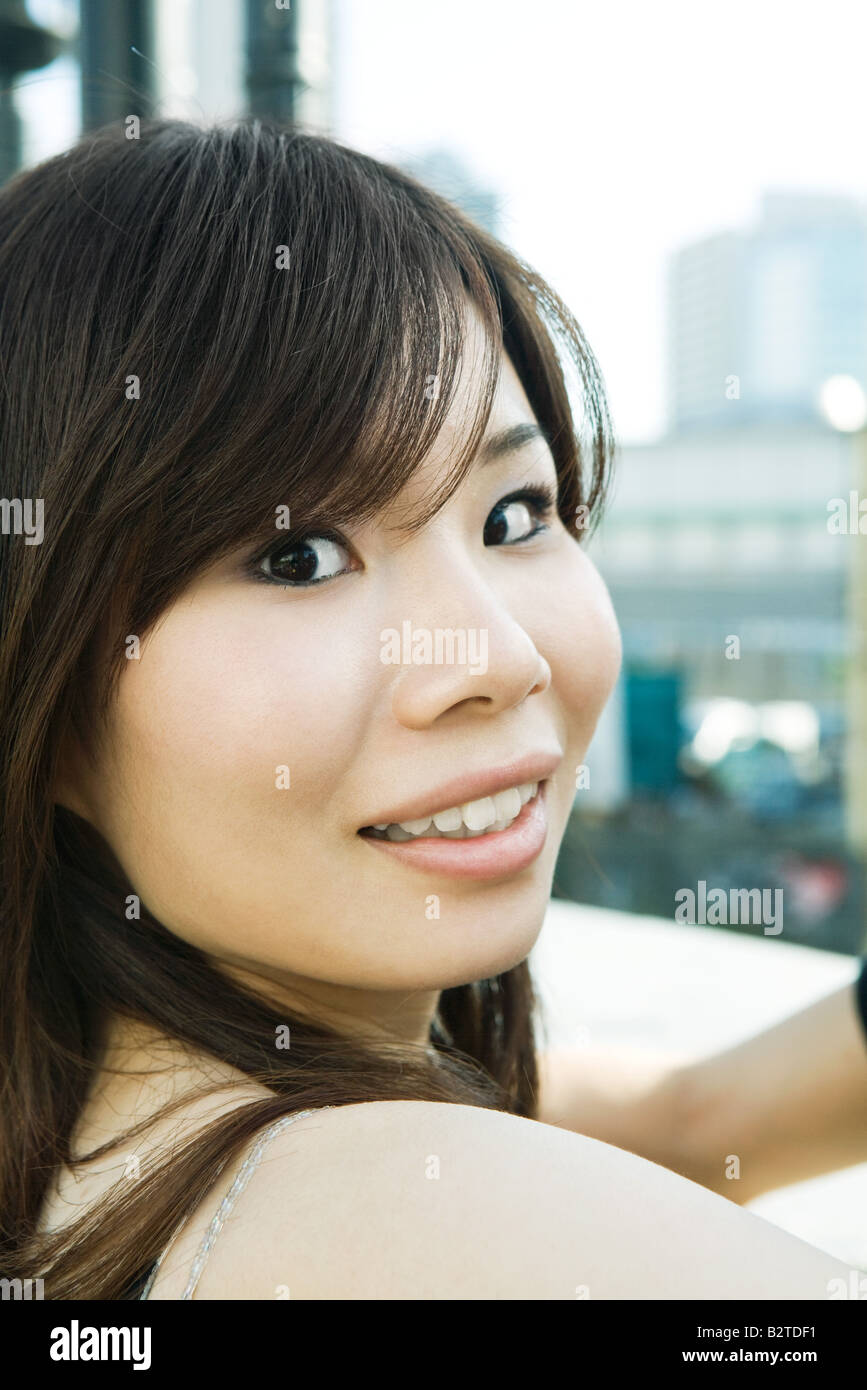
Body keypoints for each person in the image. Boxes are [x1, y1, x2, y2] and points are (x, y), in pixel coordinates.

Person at [0, 118, 859, 1300]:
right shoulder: (437, 1220)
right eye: (298, 557)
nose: (494, 658)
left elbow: (701, 1114)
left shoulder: (92, 1130)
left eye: (515, 515)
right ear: (45, 691)